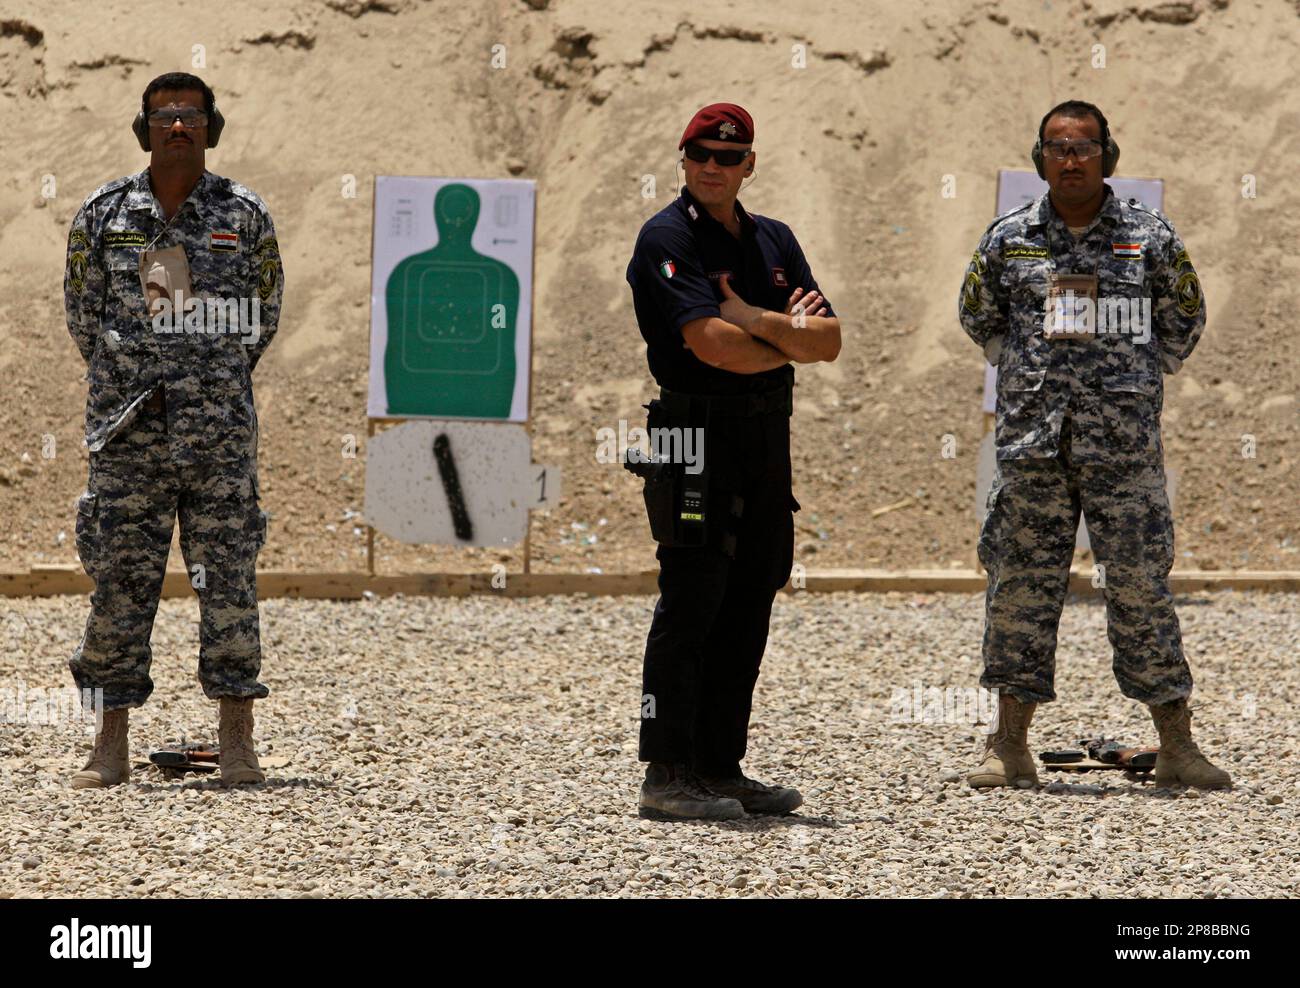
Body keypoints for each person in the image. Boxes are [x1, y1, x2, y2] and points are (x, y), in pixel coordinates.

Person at [958, 99, 1229, 790]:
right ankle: (1009, 747)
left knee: (1141, 591)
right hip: (1033, 450)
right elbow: (978, 316)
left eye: (1083, 147)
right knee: (1019, 591)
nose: (1071, 159)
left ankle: (1176, 746)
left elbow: (1184, 321)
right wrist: (1026, 371)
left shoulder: (1148, 236)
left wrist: (1129, 381)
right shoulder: (1010, 237)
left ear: (1107, 155)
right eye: (1057, 147)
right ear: (1040, 157)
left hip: (1124, 453)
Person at [64, 72, 284, 788]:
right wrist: (136, 380)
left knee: (229, 585)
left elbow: (265, 313)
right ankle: (108, 740)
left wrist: (209, 380)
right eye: (166, 116)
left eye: (192, 115)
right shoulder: (106, 213)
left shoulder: (242, 214)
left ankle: (237, 739)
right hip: (130, 435)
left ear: (211, 128)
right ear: (145, 130)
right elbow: (83, 317)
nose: (179, 127)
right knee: (120, 586)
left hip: (218, 436)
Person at [626, 103, 842, 819]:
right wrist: (786, 336)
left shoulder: (773, 240)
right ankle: (666, 771)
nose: (712, 168)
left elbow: (831, 342)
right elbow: (708, 346)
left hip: (763, 437)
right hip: (696, 434)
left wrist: (754, 320)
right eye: (700, 156)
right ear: (683, 159)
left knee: (752, 593)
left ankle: (720, 766)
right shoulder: (667, 236)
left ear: (750, 165)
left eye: (728, 157)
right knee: (692, 598)